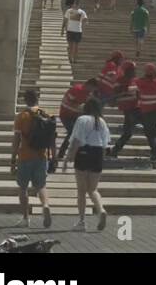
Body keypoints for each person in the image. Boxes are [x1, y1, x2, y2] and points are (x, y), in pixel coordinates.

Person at [62, 98, 111, 232]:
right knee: (93, 189)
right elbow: (105, 143)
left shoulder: (82, 119)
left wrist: (68, 158)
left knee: (81, 191)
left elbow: (76, 140)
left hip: (84, 152)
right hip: (98, 153)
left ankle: (82, 221)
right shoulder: (102, 121)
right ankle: (101, 210)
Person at [10, 90, 53, 229]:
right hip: (42, 156)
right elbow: (52, 139)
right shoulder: (46, 114)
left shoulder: (22, 116)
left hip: (25, 156)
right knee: (41, 185)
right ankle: (45, 205)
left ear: (25, 100)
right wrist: (54, 156)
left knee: (23, 188)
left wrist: (13, 159)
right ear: (37, 99)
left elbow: (17, 139)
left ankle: (25, 218)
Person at [107, 61, 156, 158]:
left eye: (134, 69)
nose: (134, 71)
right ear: (126, 71)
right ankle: (115, 151)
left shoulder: (135, 80)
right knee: (130, 133)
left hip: (138, 109)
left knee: (150, 130)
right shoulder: (119, 81)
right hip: (129, 111)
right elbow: (115, 95)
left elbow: (140, 93)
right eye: (132, 69)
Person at [57, 78, 99, 160]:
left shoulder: (89, 94)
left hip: (76, 116)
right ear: (89, 85)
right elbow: (66, 103)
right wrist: (79, 107)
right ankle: (61, 153)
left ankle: (80, 153)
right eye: (93, 88)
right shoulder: (76, 90)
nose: (92, 91)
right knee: (72, 132)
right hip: (66, 115)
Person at [62, 0, 88, 65]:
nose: (74, 5)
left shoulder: (81, 12)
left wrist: (83, 29)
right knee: (70, 46)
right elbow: (65, 19)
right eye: (74, 4)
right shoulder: (69, 11)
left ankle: (75, 58)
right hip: (70, 30)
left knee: (76, 46)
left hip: (78, 31)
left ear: (78, 5)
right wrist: (62, 29)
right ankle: (71, 58)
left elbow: (85, 20)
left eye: (76, 4)